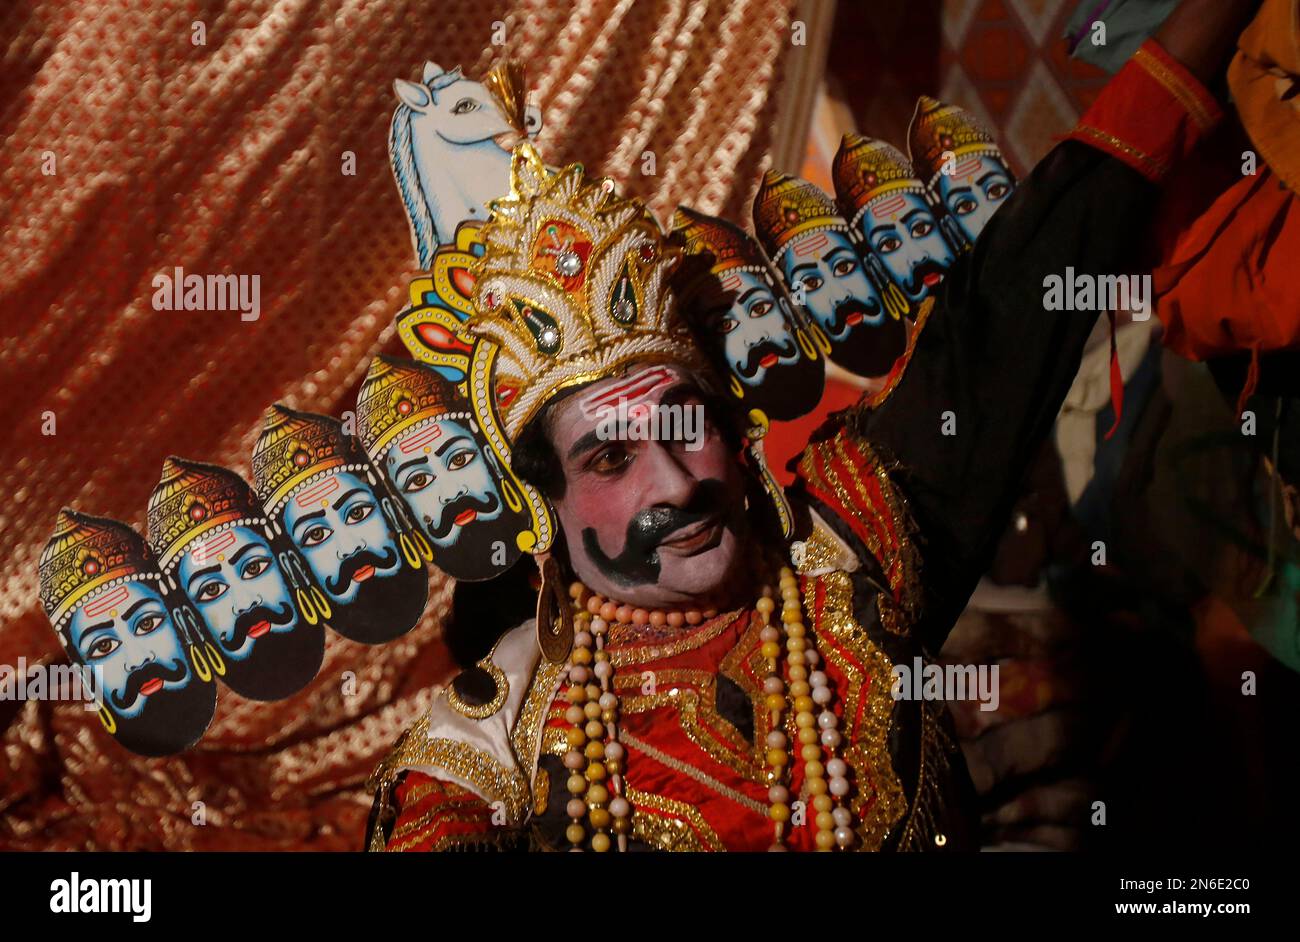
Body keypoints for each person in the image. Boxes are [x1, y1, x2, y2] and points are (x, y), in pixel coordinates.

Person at [364, 0, 1260, 852]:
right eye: (611, 456)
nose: (675, 482)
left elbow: (1009, 311)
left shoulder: (854, 546)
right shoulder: (488, 743)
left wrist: (1187, 45)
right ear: (542, 505)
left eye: (686, 421)